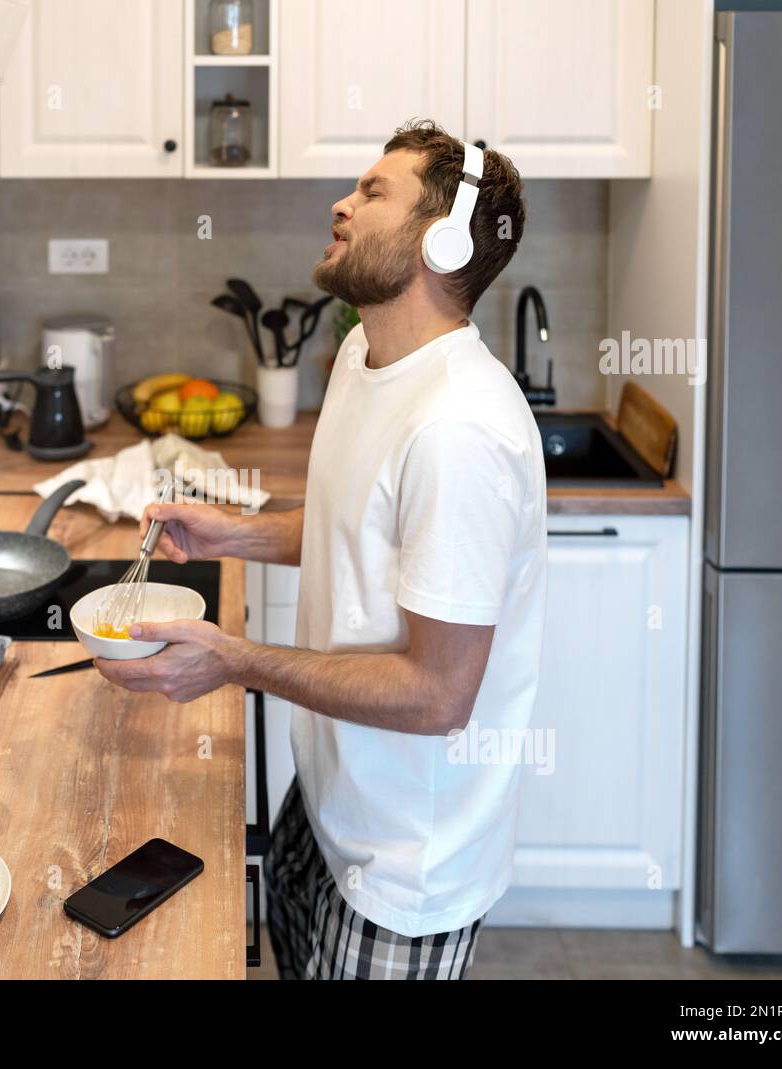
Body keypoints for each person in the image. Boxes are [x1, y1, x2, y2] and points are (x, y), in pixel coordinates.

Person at [96, 119, 547, 980]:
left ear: (441, 242)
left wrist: (234, 661)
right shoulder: (361, 353)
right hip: (332, 791)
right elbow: (354, 525)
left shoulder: (461, 429)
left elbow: (437, 692)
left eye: (374, 192)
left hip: (409, 857)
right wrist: (229, 532)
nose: (342, 202)